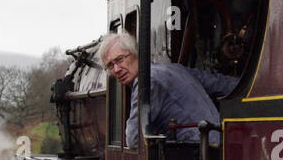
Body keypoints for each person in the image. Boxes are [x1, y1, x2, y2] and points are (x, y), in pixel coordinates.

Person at [97, 31, 237, 148]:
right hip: (220, 144)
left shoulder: (147, 80)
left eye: (120, 59)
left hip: (196, 153)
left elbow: (134, 139)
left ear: (135, 54)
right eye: (110, 65)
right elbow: (222, 84)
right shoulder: (176, 69)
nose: (116, 69)